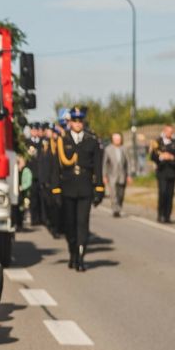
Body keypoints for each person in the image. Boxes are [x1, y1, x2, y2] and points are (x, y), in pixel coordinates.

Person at [51, 105, 104, 271]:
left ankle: (81, 256)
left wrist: (99, 188)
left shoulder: (91, 140)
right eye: (75, 120)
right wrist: (56, 189)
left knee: (83, 223)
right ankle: (72, 251)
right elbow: (56, 167)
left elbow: (97, 166)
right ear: (70, 122)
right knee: (70, 225)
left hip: (85, 187)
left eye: (80, 121)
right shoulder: (63, 140)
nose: (78, 123)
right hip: (67, 187)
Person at [150, 125, 175, 223]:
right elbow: (153, 156)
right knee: (162, 193)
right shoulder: (158, 142)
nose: (170, 133)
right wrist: (161, 157)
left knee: (170, 195)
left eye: (171, 131)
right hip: (161, 172)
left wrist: (172, 157)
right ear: (164, 131)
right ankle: (160, 214)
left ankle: (167, 216)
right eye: (168, 131)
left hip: (172, 172)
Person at [102, 132, 130, 218]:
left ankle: (119, 206)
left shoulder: (124, 149)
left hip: (122, 175)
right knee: (113, 193)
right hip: (112, 175)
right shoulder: (108, 149)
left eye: (119, 139)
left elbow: (128, 162)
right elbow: (105, 163)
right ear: (113, 140)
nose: (117, 140)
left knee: (121, 193)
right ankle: (115, 210)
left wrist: (129, 175)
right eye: (115, 139)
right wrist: (104, 175)